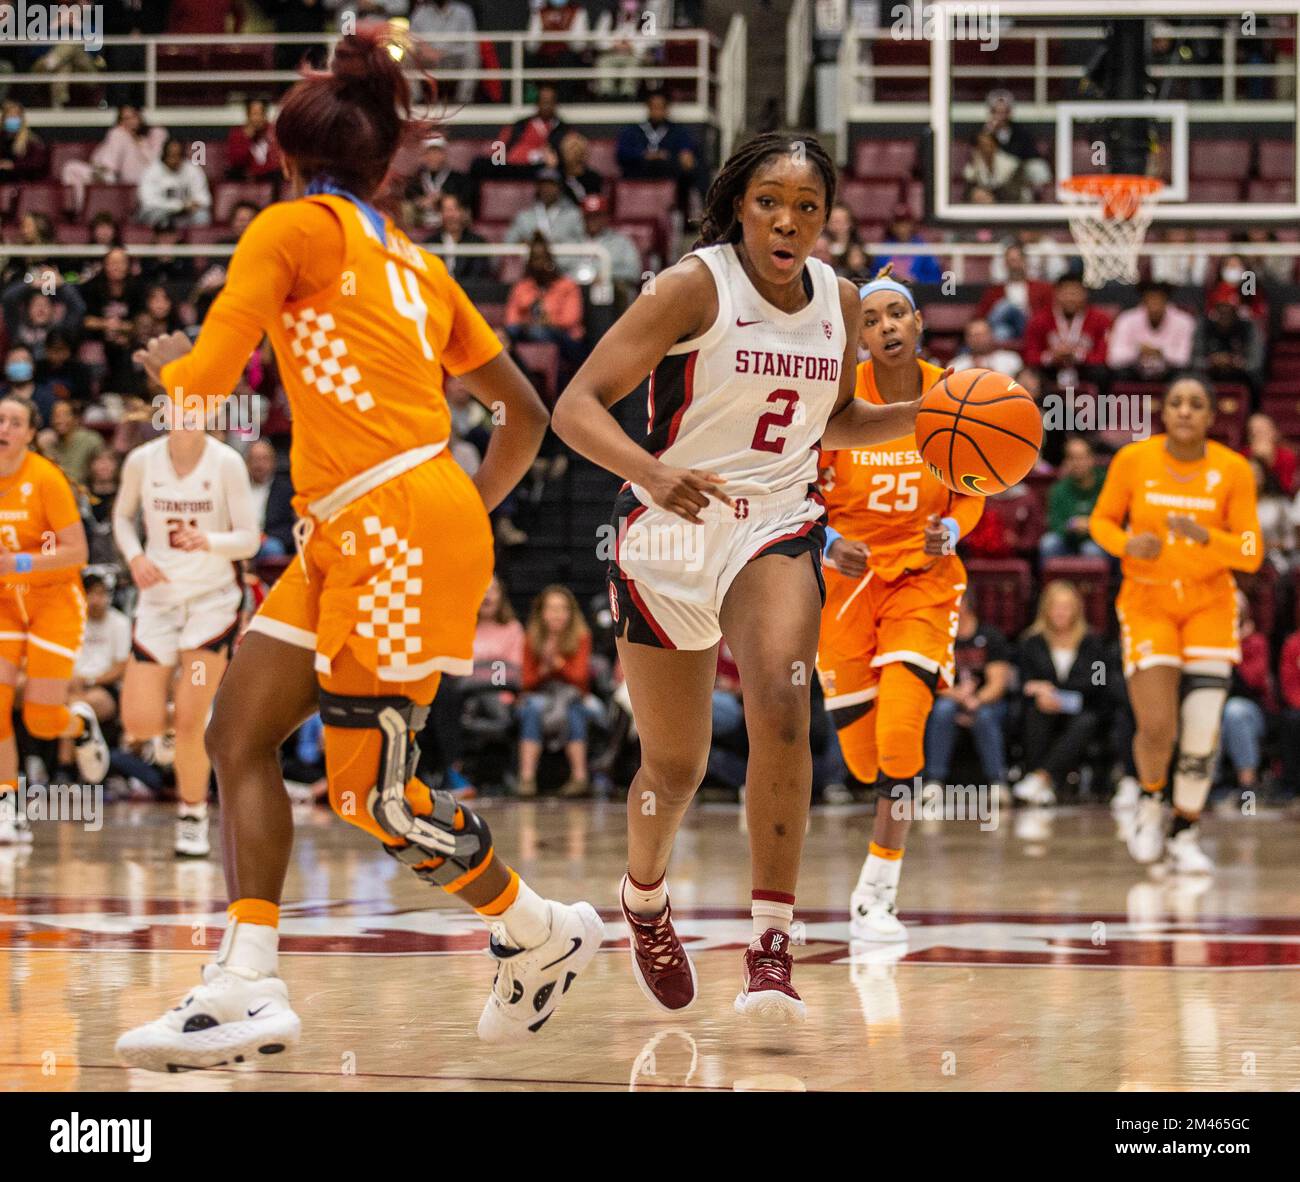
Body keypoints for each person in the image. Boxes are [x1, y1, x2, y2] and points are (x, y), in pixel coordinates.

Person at [117, 27, 601, 1070]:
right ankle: (248, 977)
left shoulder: (288, 226)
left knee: (368, 793)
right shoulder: (420, 265)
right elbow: (524, 414)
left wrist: (166, 369)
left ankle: (534, 931)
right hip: (363, 522)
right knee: (237, 733)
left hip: (389, 526)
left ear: (286, 160)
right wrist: (456, 508)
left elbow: (205, 377)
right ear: (385, 167)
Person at [553, 132, 921, 1020]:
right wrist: (649, 470)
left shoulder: (839, 300)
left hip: (775, 524)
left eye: (806, 206)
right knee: (674, 770)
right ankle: (644, 899)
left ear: (827, 217)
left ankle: (771, 947)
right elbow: (573, 407)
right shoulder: (693, 286)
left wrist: (931, 416)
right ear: (738, 205)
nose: (787, 221)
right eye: (769, 202)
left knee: (783, 708)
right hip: (669, 529)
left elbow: (833, 424)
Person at [816, 267, 985, 944]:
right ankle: (879, 858)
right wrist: (827, 540)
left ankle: (877, 892)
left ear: (918, 325)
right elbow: (797, 485)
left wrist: (958, 527)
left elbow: (977, 479)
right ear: (856, 335)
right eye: (871, 318)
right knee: (863, 762)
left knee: (899, 737)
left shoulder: (956, 394)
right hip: (846, 586)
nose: (886, 326)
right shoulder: (833, 396)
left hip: (924, 576)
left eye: (897, 315)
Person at [1089, 375, 1261, 874]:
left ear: (1211, 416)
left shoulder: (1234, 470)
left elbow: (1251, 553)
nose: (1185, 411)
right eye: (1176, 403)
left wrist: (1207, 537)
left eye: (1196, 404)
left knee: (1203, 730)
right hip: (1148, 602)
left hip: (1209, 605)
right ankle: (1149, 800)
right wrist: (1126, 545)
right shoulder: (1132, 460)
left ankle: (1185, 827)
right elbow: (1101, 522)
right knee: (1159, 724)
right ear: (1163, 413)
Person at [114, 413, 258, 858]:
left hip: (210, 602)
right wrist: (135, 556)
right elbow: (121, 517)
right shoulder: (142, 460)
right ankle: (171, 730)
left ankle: (192, 816)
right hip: (158, 599)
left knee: (192, 719)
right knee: (138, 723)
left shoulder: (226, 462)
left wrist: (210, 541)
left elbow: (250, 539)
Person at [0, 395, 110, 846]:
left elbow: (76, 553)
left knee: (42, 720)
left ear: (29, 434)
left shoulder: (46, 480)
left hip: (53, 602)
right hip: (5, 603)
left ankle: (81, 725)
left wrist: (19, 565)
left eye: (14, 422)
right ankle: (8, 806)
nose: (4, 427)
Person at [1012, 581, 1109, 805]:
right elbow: (1022, 681)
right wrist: (1037, 689)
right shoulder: (1030, 642)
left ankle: (1040, 777)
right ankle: (1043, 783)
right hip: (1043, 706)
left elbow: (1100, 682)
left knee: (1086, 723)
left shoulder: (1094, 642)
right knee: (1036, 714)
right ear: (1046, 609)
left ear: (1076, 609)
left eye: (1066, 606)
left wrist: (1059, 694)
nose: (1061, 612)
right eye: (1056, 606)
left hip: (1084, 707)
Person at [921, 599, 1010, 807]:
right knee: (943, 711)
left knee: (985, 716)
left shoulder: (990, 636)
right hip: (951, 698)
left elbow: (998, 683)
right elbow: (933, 681)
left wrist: (975, 700)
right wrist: (959, 695)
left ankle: (997, 782)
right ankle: (934, 780)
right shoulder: (938, 636)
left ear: (965, 605)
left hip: (986, 701)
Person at [517, 585, 593, 798]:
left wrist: (557, 663)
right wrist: (543, 669)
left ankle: (580, 778)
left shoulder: (582, 636)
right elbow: (526, 682)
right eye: (551, 609)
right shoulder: (531, 637)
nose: (557, 614)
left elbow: (580, 679)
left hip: (572, 695)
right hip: (540, 694)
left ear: (571, 612)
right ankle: (526, 778)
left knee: (574, 709)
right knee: (532, 708)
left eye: (562, 609)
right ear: (542, 613)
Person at [60, 571, 130, 777]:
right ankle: (75, 771)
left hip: (104, 687)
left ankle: (67, 769)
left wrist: (89, 680)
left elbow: (121, 667)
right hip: (72, 686)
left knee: (80, 709)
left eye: (101, 594)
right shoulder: (69, 620)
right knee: (67, 706)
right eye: (90, 594)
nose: (96, 600)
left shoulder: (120, 623)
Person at [1217, 591, 1274, 801]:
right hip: (1217, 708)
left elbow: (1252, 682)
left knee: (1235, 711)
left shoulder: (1255, 642)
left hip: (1253, 711)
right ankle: (1208, 784)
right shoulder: (1211, 642)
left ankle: (1248, 785)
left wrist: (1235, 647)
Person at [61, 105, 167, 213]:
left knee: (117, 133)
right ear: (120, 122)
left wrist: (135, 143)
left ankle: (108, 173)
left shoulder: (146, 140)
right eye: (125, 119)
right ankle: (80, 208)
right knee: (70, 167)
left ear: (140, 118)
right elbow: (95, 159)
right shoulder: (115, 137)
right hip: (107, 174)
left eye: (133, 117)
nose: (130, 122)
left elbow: (154, 163)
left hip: (136, 174)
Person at [504, 234, 587, 368]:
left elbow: (572, 319)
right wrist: (528, 322)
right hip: (529, 332)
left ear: (551, 260)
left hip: (566, 338)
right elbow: (511, 321)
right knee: (507, 334)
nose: (540, 264)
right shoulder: (522, 286)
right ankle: (524, 376)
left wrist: (549, 321)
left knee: (539, 331)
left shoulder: (567, 285)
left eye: (543, 259)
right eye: (535, 259)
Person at [1022, 273, 1111, 391]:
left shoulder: (1100, 319)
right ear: (1056, 294)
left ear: (1085, 294)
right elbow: (1030, 355)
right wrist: (1051, 356)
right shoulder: (1039, 319)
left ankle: (1101, 408)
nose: (1070, 298)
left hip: (1084, 369)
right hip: (1051, 370)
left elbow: (1103, 356)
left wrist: (1077, 355)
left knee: (1102, 373)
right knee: (1031, 374)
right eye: (1065, 293)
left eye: (1075, 293)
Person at [616, 91, 703, 210]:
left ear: (667, 109)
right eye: (654, 107)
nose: (657, 111)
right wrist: (644, 155)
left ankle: (684, 216)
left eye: (661, 107)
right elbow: (621, 154)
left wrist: (683, 154)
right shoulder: (633, 130)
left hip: (669, 172)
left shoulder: (677, 131)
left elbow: (686, 150)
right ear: (648, 108)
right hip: (640, 171)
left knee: (693, 170)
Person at [77, 246, 144, 394]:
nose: (117, 267)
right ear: (104, 265)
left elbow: (141, 320)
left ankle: (132, 395)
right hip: (97, 338)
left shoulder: (137, 287)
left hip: (128, 339)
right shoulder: (91, 287)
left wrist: (123, 329)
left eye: (121, 262)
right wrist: (106, 324)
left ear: (128, 266)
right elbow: (84, 320)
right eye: (113, 263)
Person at [1106, 281, 1196, 381]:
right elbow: (1114, 358)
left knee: (1183, 375)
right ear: (1144, 300)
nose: (1155, 304)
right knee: (1120, 374)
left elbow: (1184, 359)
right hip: (1135, 374)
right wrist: (1138, 351)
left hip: (1169, 375)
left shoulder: (1184, 321)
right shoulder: (1126, 319)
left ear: (1166, 300)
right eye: (1151, 299)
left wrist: (1159, 352)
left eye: (1159, 299)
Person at [1040, 436, 1107, 561]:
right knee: (1048, 543)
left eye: (1081, 458)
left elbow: (1116, 520)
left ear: (1091, 458)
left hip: (1098, 540)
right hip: (1068, 540)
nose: (1077, 463)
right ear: (1066, 462)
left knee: (1090, 549)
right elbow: (1054, 524)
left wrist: (1091, 525)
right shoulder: (1058, 489)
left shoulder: (1107, 485)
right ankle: (1054, 581)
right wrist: (1072, 525)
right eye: (1072, 458)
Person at [1194, 291, 1264, 403]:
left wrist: (1234, 362)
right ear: (1214, 310)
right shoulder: (1204, 326)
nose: (1225, 313)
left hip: (1242, 377)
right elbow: (1194, 360)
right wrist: (1212, 362)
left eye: (1229, 309)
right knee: (1192, 379)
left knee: (1256, 379)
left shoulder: (1249, 327)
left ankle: (1252, 413)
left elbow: (1255, 363)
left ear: (1236, 310)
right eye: (1221, 309)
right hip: (1209, 375)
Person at [505, 169, 585, 261]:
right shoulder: (524, 217)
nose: (547, 189)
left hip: (565, 268)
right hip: (531, 268)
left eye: (551, 185)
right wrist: (524, 244)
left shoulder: (573, 215)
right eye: (543, 185)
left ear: (559, 187)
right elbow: (509, 243)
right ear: (538, 187)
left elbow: (583, 242)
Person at [410, 0, 479, 105]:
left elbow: (470, 45)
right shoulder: (420, 12)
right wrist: (424, 50)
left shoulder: (463, 12)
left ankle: (462, 100)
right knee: (407, 57)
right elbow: (411, 41)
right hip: (428, 61)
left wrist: (444, 52)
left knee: (472, 56)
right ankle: (417, 100)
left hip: (453, 60)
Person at [137, 137, 212, 228]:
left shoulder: (193, 169)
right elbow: (148, 202)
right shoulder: (152, 171)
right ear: (164, 155)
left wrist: (194, 204)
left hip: (185, 214)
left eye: (178, 155)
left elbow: (205, 199)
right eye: (171, 155)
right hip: (161, 213)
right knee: (158, 217)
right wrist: (180, 206)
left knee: (202, 216)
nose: (175, 160)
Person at [982, 89, 1050, 188]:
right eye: (997, 112)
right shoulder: (984, 133)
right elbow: (980, 156)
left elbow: (1028, 155)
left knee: (1038, 167)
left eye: (1004, 112)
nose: (1000, 117)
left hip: (1019, 169)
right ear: (991, 113)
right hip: (995, 172)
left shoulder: (1020, 131)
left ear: (1009, 113)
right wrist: (988, 133)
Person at [404, 135, 473, 232]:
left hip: (448, 218)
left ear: (444, 155)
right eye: (429, 153)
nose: (433, 157)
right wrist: (420, 202)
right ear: (423, 156)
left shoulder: (458, 178)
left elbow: (466, 199)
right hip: (421, 217)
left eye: (437, 152)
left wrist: (442, 199)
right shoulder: (415, 178)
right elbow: (407, 197)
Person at [574, 193, 643, 289]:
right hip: (574, 290)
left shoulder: (621, 242)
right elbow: (560, 268)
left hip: (609, 291)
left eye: (598, 215)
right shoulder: (572, 240)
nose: (593, 220)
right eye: (589, 216)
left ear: (606, 217)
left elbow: (634, 272)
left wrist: (604, 275)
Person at [497, 84, 570, 169]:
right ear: (537, 103)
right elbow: (499, 157)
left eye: (550, 102)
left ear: (555, 104)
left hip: (554, 174)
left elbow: (570, 159)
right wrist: (538, 156)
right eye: (543, 101)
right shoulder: (520, 126)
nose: (546, 106)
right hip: (521, 171)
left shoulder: (564, 129)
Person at [244, 439, 296, 559]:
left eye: (264, 459)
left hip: (269, 540)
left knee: (272, 547)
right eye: (255, 459)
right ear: (247, 463)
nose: (259, 464)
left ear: (273, 462)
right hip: (244, 536)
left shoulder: (286, 490)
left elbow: (290, 527)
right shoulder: (239, 486)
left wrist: (264, 537)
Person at [432, 192, 493, 283]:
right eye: (446, 210)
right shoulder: (431, 243)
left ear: (464, 212)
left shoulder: (477, 243)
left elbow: (478, 279)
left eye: (455, 209)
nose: (451, 215)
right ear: (440, 214)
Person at [877, 206, 942, 285]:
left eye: (905, 223)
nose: (902, 228)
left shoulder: (922, 248)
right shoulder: (882, 249)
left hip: (917, 292)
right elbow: (875, 274)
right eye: (898, 224)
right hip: (890, 290)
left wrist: (916, 279)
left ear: (912, 224)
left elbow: (934, 277)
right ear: (892, 225)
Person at [45, 400, 104, 486]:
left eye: (65, 415)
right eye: (56, 416)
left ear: (76, 419)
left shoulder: (91, 440)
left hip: (85, 492)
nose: (59, 420)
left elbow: (104, 468)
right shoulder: (47, 446)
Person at [962, 130, 1029, 203]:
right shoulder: (976, 162)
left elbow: (1013, 191)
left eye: (987, 144)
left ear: (995, 145)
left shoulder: (1011, 163)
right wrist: (974, 164)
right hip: (987, 200)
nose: (985, 148)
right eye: (981, 145)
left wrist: (990, 195)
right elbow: (969, 181)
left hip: (1012, 200)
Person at [226, 97, 281, 182]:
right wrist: (246, 138)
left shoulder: (273, 133)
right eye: (255, 114)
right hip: (245, 178)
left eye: (261, 114)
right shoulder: (238, 135)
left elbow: (277, 162)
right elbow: (236, 162)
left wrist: (258, 171)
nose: (258, 118)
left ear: (265, 115)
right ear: (248, 115)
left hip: (271, 178)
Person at [37, 329, 95, 410]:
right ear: (46, 350)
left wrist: (68, 398)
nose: (59, 355)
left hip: (72, 411)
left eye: (63, 350)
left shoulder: (80, 370)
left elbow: (86, 400)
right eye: (54, 350)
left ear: (69, 350)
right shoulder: (38, 368)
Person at [0, 346, 57, 427]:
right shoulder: (1, 395)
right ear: (5, 367)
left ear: (33, 366)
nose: (19, 365)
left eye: (24, 361)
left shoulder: (47, 398)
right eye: (14, 361)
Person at [1244, 412, 1296, 496]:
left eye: (1264, 431)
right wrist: (1256, 459)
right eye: (1255, 432)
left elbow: (1287, 489)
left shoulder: (1287, 456)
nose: (1259, 435)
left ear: (1274, 433)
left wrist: (1269, 460)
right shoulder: (1243, 455)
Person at [949, 317, 1022, 376]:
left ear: (992, 335)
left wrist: (990, 374)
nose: (978, 339)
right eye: (973, 335)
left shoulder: (1011, 359)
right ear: (966, 339)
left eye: (982, 334)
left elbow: (1019, 388)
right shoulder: (957, 364)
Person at [0, 100, 49, 182]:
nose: (12, 119)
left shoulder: (32, 140)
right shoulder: (1, 138)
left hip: (23, 179)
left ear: (21, 119)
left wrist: (13, 165)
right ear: (3, 119)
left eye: (15, 116)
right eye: (9, 116)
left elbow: (37, 163)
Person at [557, 130, 604, 206]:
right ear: (562, 153)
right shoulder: (556, 177)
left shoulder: (593, 178)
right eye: (571, 149)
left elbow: (595, 204)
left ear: (585, 153)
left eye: (579, 149)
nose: (575, 153)